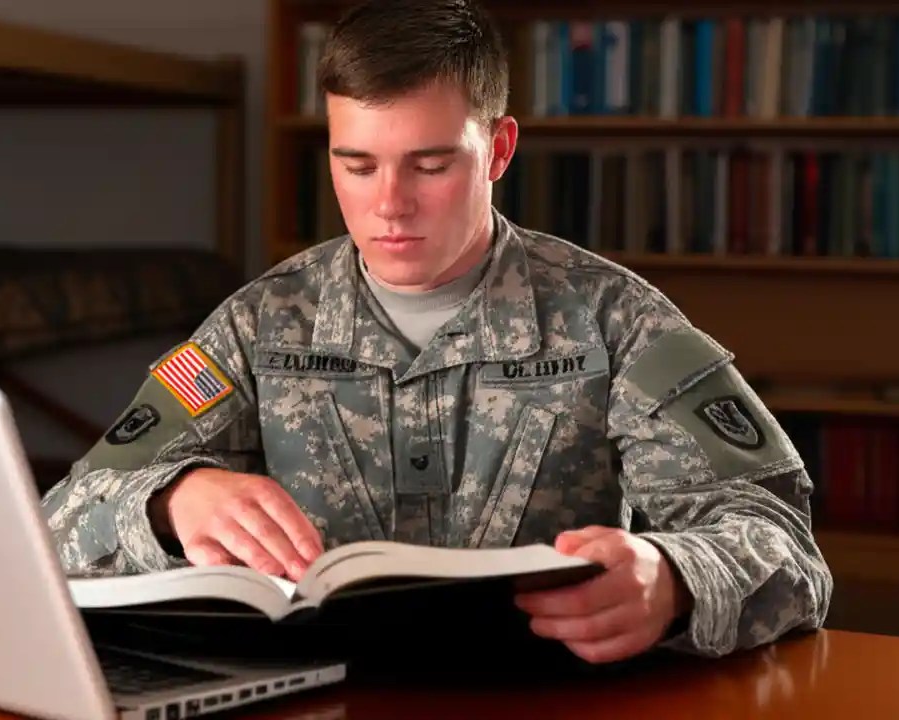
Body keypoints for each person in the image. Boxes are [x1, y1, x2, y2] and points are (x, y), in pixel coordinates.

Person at [41, 0, 832, 665]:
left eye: (429, 165)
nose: (389, 204)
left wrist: (673, 577)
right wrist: (171, 499)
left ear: (499, 150)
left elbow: (783, 544)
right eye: (356, 165)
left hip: (545, 702)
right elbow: (61, 515)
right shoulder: (260, 322)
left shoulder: (613, 320)